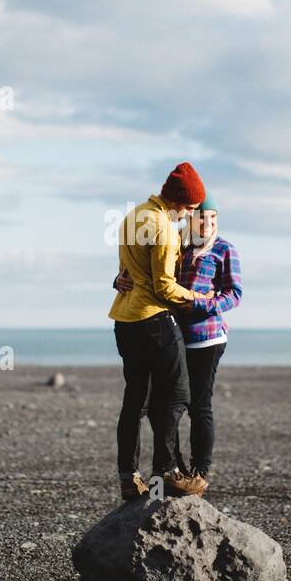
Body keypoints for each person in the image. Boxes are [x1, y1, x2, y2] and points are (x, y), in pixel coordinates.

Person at [114, 195, 241, 493]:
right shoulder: (176, 241)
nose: (206, 224)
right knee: (168, 405)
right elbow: (150, 274)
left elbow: (233, 294)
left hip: (207, 337)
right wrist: (119, 280)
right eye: (201, 217)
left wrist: (203, 305)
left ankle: (201, 471)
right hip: (174, 334)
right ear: (190, 218)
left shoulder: (224, 250)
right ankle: (175, 467)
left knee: (199, 405)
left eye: (212, 219)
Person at [108, 162, 213, 501]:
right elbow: (165, 287)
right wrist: (199, 297)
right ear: (182, 201)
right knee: (178, 394)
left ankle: (129, 476)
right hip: (154, 320)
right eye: (193, 207)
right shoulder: (165, 228)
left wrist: (119, 280)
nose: (192, 214)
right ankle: (167, 472)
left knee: (134, 400)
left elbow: (128, 269)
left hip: (125, 320)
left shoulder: (133, 216)